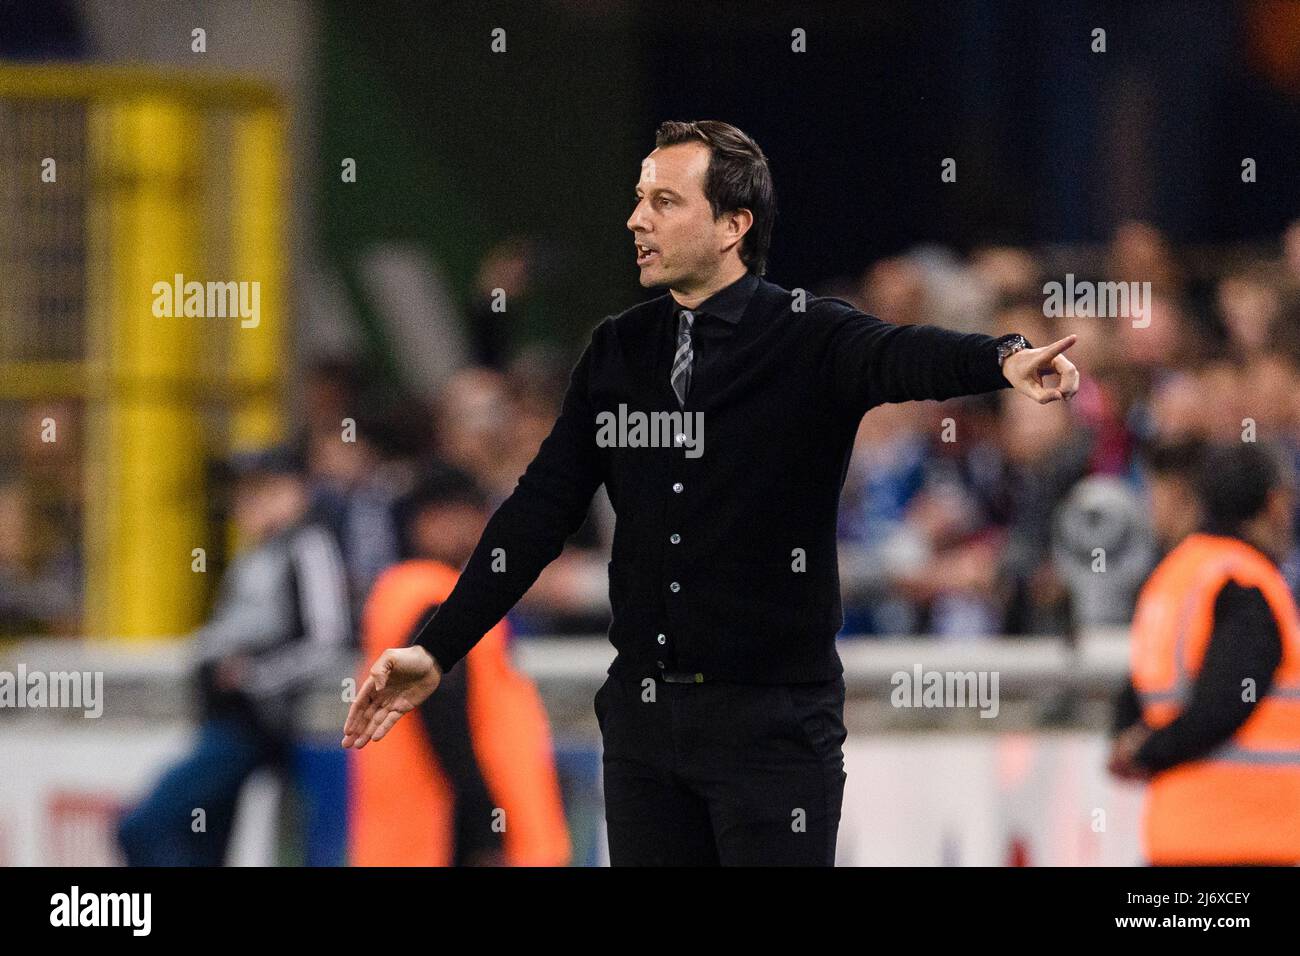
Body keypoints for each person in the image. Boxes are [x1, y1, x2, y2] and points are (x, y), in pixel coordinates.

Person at [343, 119, 1079, 866]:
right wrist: (439, 649)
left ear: (733, 225)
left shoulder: (806, 338)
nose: (636, 219)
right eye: (638, 199)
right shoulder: (617, 351)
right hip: (643, 728)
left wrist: (1005, 357)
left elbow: (902, 354)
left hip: (773, 729)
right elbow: (538, 511)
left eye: (664, 201)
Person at [118, 448, 352, 866]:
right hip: (227, 717)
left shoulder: (308, 546)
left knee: (144, 825)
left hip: (258, 724)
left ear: (296, 491)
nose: (248, 503)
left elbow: (327, 639)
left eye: (263, 490)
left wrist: (255, 676)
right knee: (203, 843)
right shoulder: (258, 553)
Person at [349, 465, 570, 866]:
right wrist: (484, 822)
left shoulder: (398, 593)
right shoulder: (436, 597)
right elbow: (446, 719)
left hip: (412, 830)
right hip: (446, 830)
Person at [1108, 442, 1300, 865]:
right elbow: (1227, 703)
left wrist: (1135, 748)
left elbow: (1133, 695)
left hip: (1175, 837)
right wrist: (1148, 751)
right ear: (1275, 504)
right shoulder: (1248, 584)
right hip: (1251, 838)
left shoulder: (1172, 579)